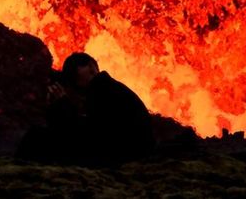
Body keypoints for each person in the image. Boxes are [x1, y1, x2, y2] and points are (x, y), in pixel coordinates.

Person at [19, 52, 155, 165]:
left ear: (91, 67)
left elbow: (87, 134)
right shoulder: (106, 88)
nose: (73, 80)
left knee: (37, 138)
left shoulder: (103, 90)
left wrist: (62, 104)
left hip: (125, 153)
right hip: (128, 150)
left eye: (73, 71)